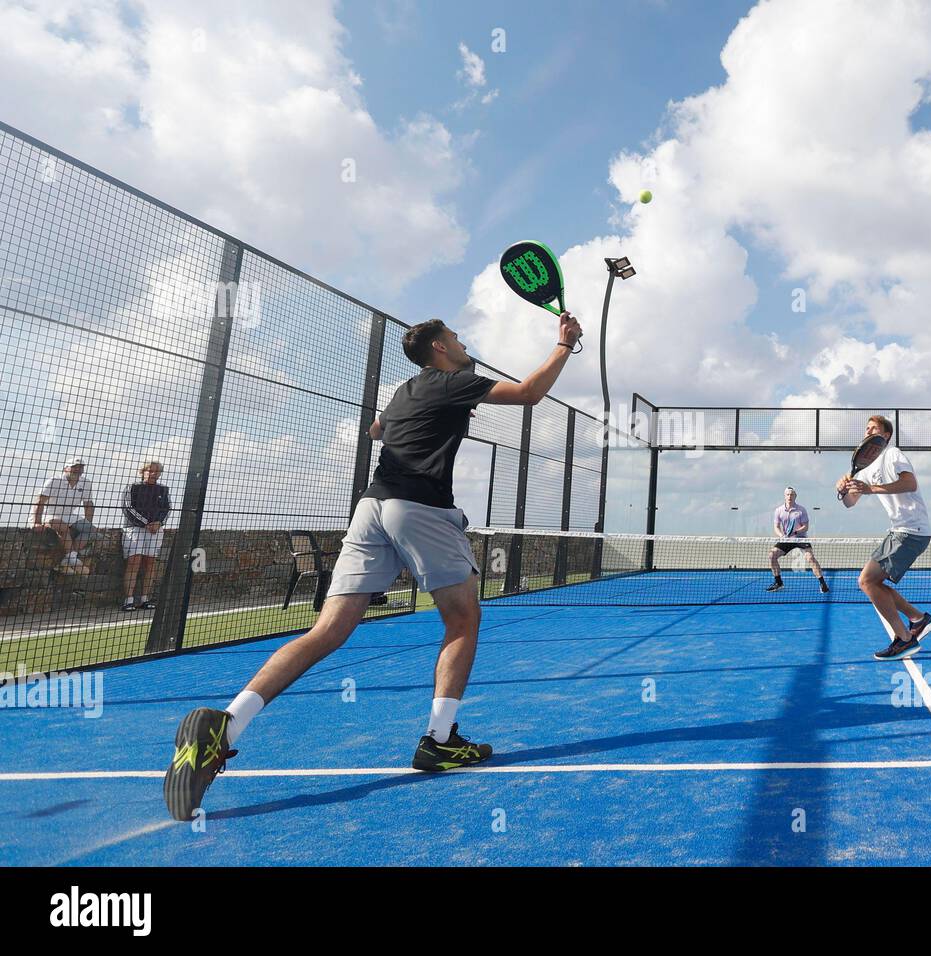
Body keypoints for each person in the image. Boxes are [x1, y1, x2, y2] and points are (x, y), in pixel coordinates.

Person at [163, 312, 584, 821]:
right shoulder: (453, 381)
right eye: (455, 337)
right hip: (418, 507)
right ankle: (440, 739)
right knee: (462, 618)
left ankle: (226, 725)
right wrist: (564, 345)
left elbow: (377, 429)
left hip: (372, 508)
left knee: (329, 630)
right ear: (440, 350)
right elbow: (527, 394)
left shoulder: (406, 390)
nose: (463, 341)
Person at [836, 416, 931, 660]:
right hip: (900, 531)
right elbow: (851, 502)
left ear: (886, 436)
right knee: (873, 583)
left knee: (867, 582)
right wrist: (842, 490)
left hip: (911, 531)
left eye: (874, 428)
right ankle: (918, 618)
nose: (868, 431)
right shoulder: (868, 468)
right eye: (866, 428)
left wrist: (871, 489)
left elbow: (910, 483)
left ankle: (904, 639)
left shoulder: (893, 454)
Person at [31, 457, 97, 575]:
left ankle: (68, 559)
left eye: (81, 467)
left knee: (91, 530)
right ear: (65, 468)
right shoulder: (54, 480)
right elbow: (40, 501)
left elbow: (88, 505)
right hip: (50, 514)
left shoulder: (86, 483)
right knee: (63, 527)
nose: (78, 469)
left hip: (69, 515)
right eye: (74, 467)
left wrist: (88, 523)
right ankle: (72, 560)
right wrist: (36, 522)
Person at [121, 461, 172, 611]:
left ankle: (145, 599)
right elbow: (128, 507)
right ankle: (129, 600)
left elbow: (167, 509)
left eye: (156, 471)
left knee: (150, 563)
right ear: (143, 471)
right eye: (150, 470)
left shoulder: (163, 489)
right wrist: (146, 523)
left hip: (156, 530)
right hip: (135, 529)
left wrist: (159, 523)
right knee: (134, 562)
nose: (153, 474)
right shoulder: (133, 487)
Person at [766, 486, 829, 593]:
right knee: (772, 555)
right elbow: (776, 527)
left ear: (795, 496)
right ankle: (778, 582)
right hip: (786, 540)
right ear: (784, 496)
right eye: (787, 494)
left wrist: (796, 532)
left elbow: (806, 527)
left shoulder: (801, 510)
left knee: (810, 558)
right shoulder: (778, 510)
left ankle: (823, 584)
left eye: (792, 494)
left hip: (801, 539)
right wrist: (781, 536)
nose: (789, 496)